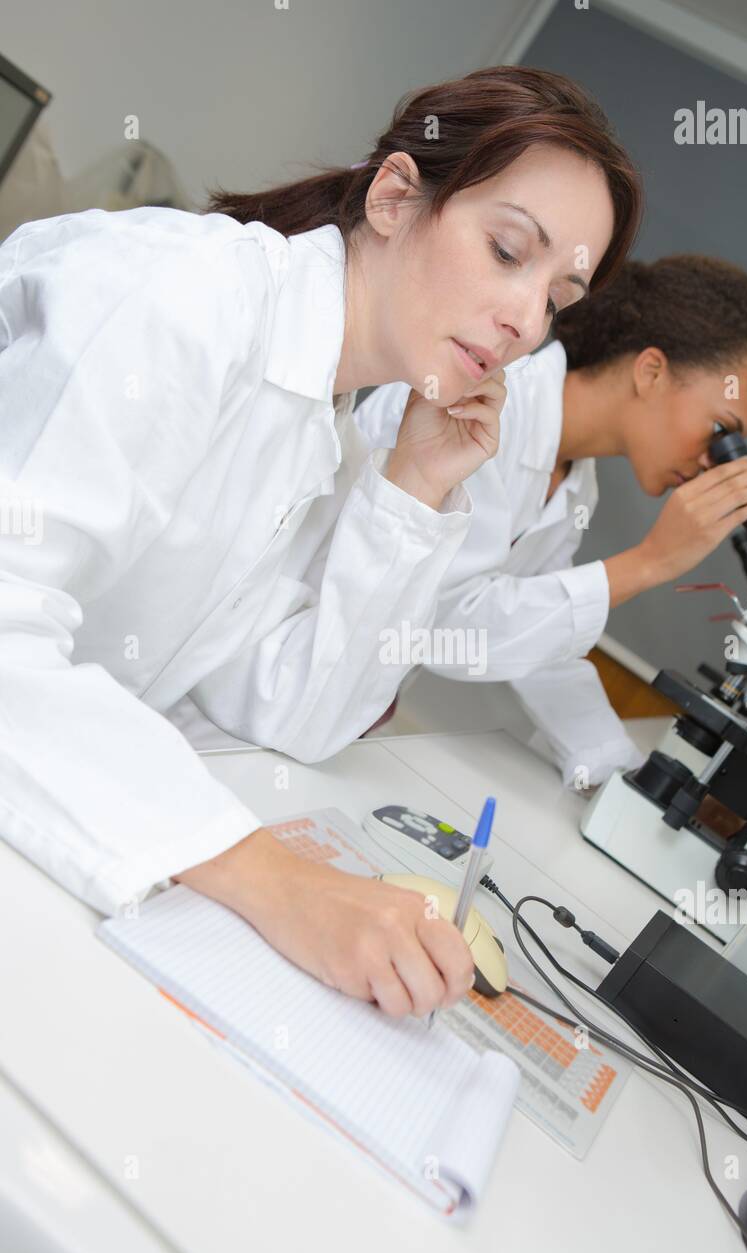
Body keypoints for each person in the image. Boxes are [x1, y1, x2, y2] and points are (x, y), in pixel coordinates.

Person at [0, 65, 641, 1017]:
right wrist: (276, 883)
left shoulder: (330, 427)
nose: (524, 322)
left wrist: (416, 487)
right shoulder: (186, 300)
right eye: (510, 250)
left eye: (559, 298)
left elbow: (290, 710)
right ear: (393, 198)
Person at [354, 254, 747, 788]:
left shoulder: (572, 480)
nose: (714, 460)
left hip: (345, 713)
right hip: (261, 684)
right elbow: (441, 627)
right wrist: (650, 563)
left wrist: (619, 771)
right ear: (651, 371)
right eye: (721, 430)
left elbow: (543, 643)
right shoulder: (484, 407)